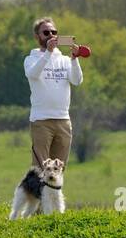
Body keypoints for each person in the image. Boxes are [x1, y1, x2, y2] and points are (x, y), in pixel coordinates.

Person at [23, 16, 84, 167]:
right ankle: (36, 192)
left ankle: (54, 192)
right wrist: (48, 53)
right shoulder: (31, 59)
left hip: (63, 120)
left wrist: (75, 59)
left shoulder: (63, 60)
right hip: (41, 121)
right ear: (37, 37)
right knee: (40, 169)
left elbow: (77, 80)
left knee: (58, 170)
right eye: (46, 32)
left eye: (54, 32)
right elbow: (33, 74)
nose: (51, 35)